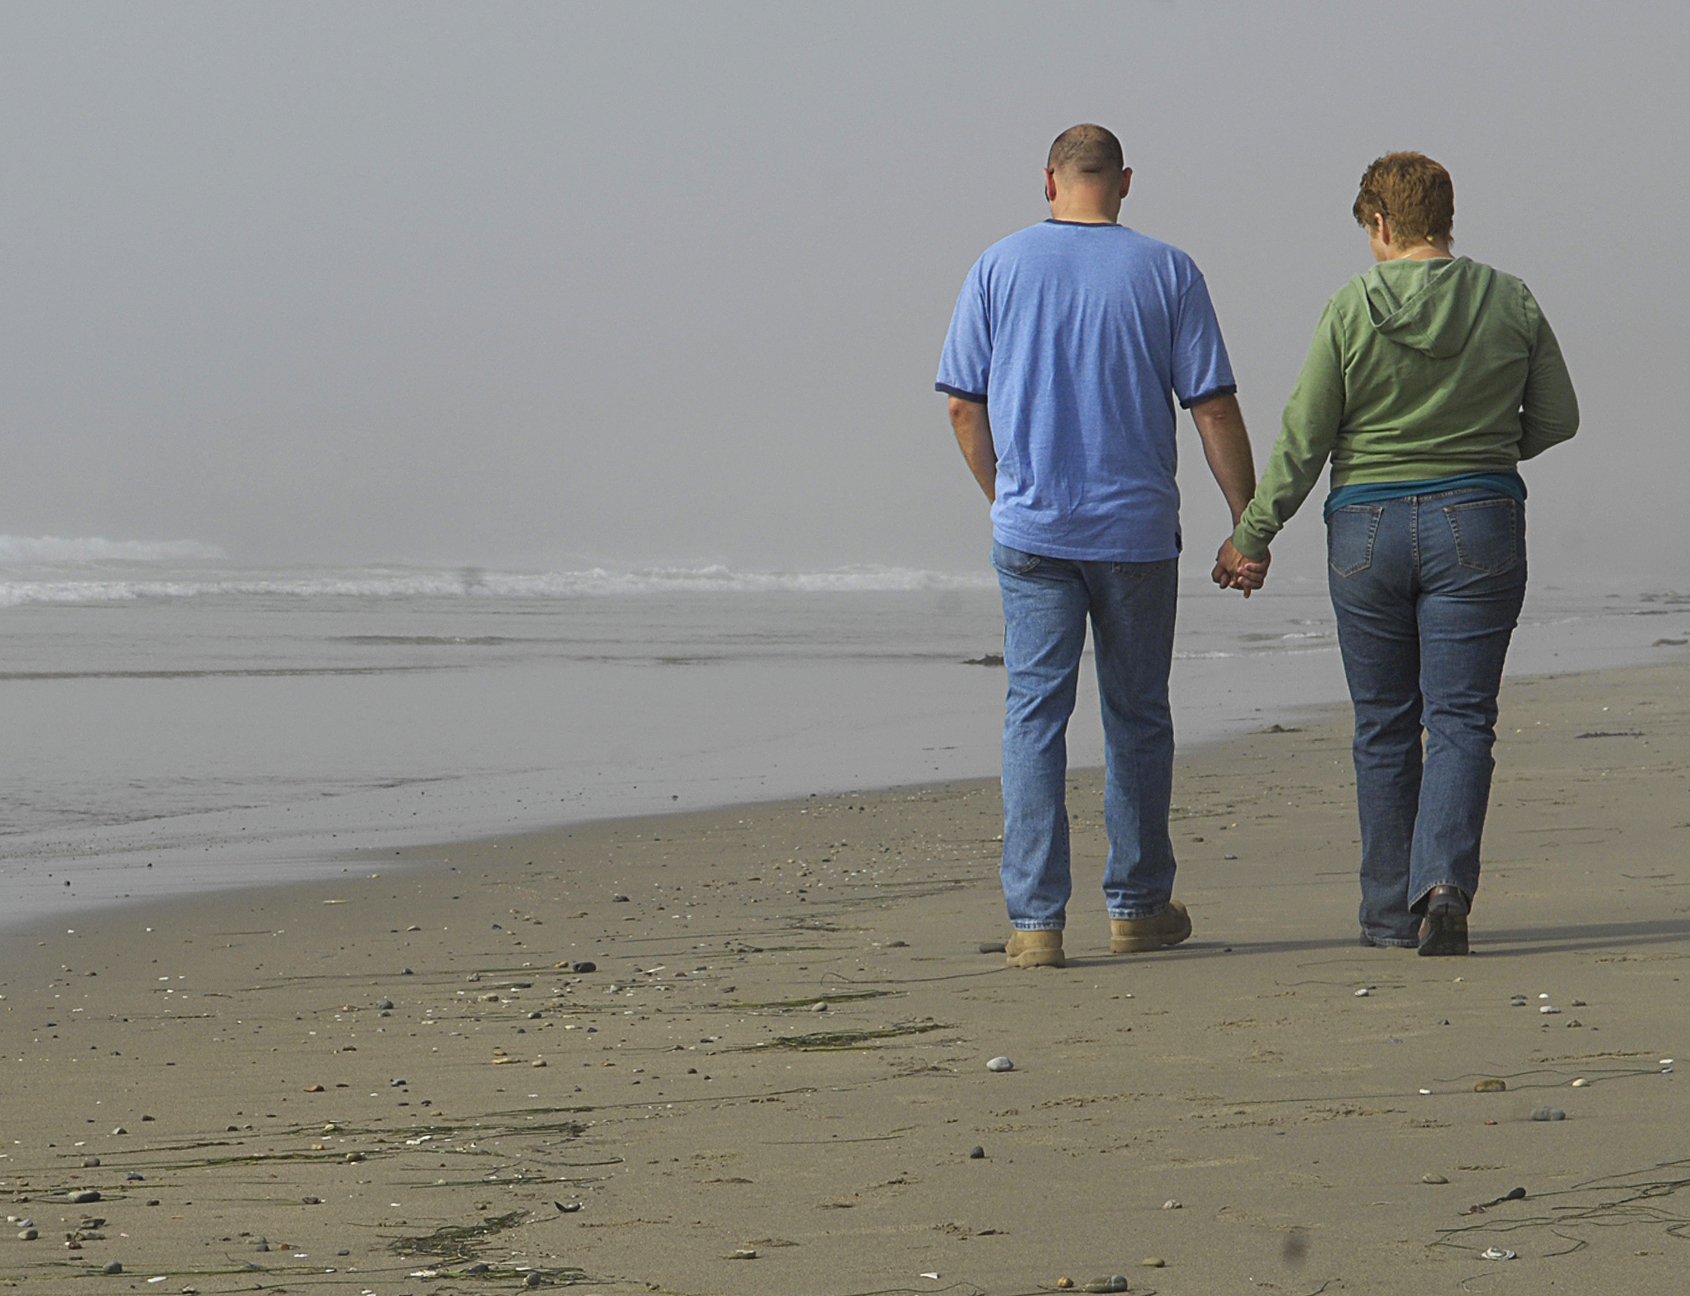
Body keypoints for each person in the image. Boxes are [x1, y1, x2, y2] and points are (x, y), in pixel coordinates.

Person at [1215, 152, 1579, 955]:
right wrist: (1486, 447)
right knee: (1461, 717)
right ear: (1446, 218)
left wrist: (1252, 534)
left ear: (1380, 223)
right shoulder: (1509, 297)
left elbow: (1306, 439)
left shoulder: (1351, 305)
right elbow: (1559, 418)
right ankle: (1444, 885)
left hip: (1366, 529)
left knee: (1383, 724)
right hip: (1479, 519)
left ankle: (1388, 915)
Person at [937, 123, 1261, 969]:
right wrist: (1247, 522)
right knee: (1137, 714)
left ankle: (1036, 923)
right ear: (1123, 182)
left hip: (1033, 531)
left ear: (1049, 182)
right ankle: (1138, 907)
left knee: (1034, 716)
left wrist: (1005, 496)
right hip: (1135, 533)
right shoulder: (1168, 270)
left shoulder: (997, 266)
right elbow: (1212, 406)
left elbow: (962, 404)